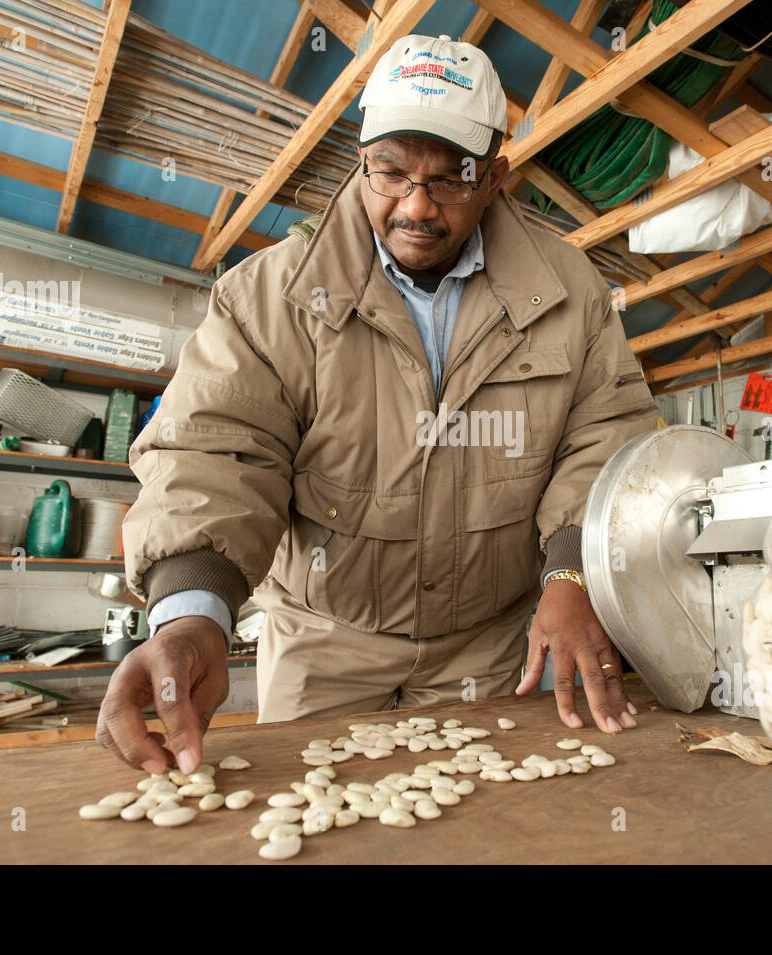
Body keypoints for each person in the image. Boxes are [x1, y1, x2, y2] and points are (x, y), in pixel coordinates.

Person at [97, 34, 659, 776]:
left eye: (450, 179)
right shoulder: (268, 298)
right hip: (323, 641)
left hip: (491, 647)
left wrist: (574, 573)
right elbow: (218, 450)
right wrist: (192, 611)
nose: (415, 207)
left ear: (496, 176)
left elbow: (606, 435)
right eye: (390, 172)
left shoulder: (570, 291)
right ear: (359, 160)